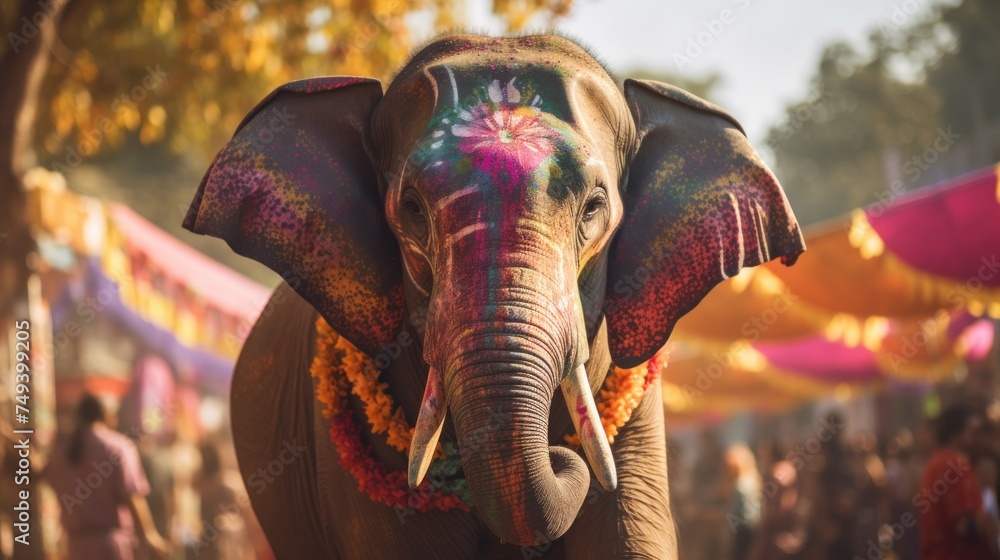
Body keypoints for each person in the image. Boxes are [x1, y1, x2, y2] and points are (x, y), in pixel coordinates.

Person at [42, 393, 171, 560]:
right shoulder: (118, 447)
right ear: (106, 415)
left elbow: (38, 475)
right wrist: (149, 535)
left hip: (75, 548)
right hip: (110, 548)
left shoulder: (61, 451)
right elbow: (132, 497)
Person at [919, 405, 999, 560]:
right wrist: (992, 528)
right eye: (974, 432)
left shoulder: (935, 463)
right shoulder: (957, 464)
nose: (980, 439)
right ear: (956, 434)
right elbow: (966, 527)